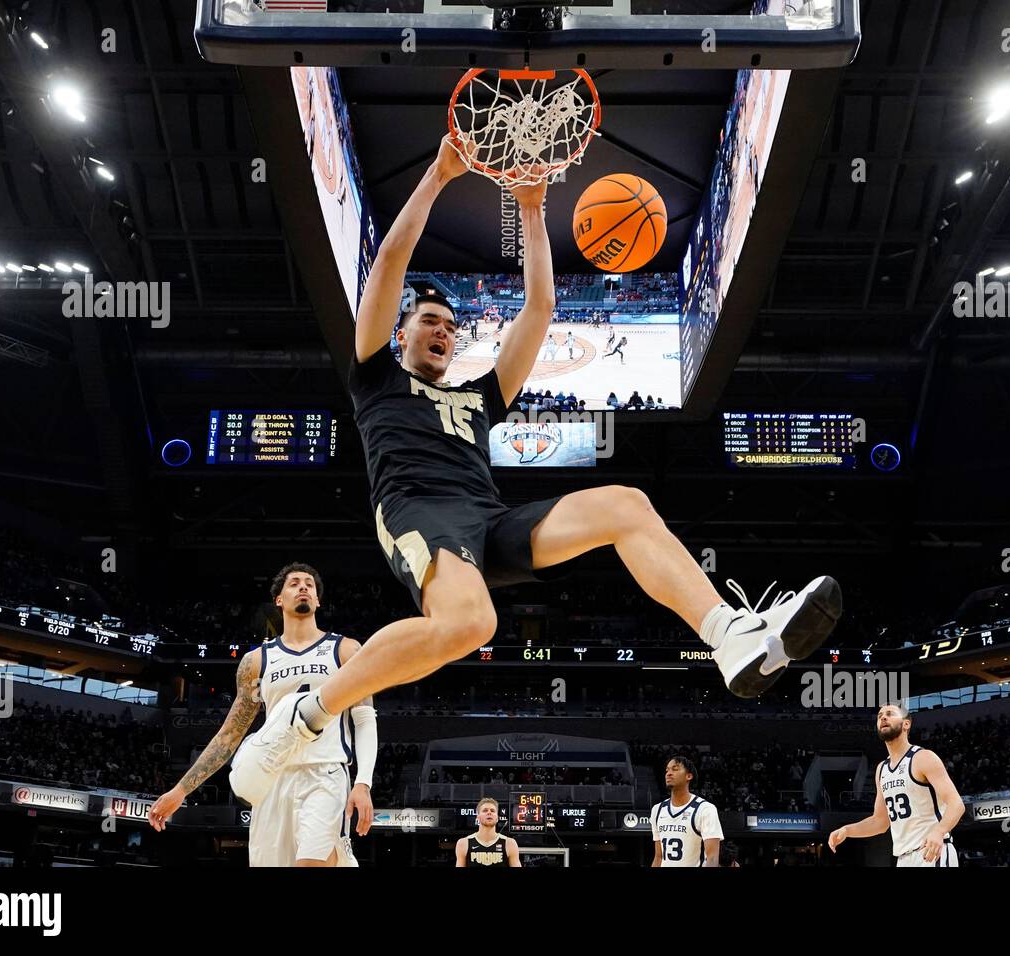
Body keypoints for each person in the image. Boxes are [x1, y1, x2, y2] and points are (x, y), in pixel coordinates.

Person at [235, 135, 841, 793]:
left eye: (449, 326)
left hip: (486, 521)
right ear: (401, 332)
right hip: (418, 511)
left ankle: (730, 636)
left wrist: (530, 207)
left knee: (626, 505)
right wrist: (438, 174)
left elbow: (541, 309)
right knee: (471, 624)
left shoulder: (477, 395)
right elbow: (388, 262)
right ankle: (309, 714)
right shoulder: (376, 376)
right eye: (428, 321)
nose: (441, 331)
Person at [147, 563, 377, 867]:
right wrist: (181, 789)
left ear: (318, 601)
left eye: (309, 584)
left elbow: (364, 719)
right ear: (279, 600)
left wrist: (363, 783)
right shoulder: (256, 661)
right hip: (271, 778)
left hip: (325, 774)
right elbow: (230, 735)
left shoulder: (347, 649)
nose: (303, 587)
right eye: (294, 584)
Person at [828, 704, 964, 867]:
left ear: (906, 724)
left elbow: (957, 804)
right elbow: (880, 822)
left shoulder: (923, 758)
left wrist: (939, 831)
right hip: (903, 858)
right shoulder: (882, 769)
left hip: (932, 852)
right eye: (880, 716)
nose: (883, 718)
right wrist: (847, 830)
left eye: (890, 714)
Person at [651, 757, 723, 867]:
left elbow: (712, 858)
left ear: (688, 776)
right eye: (667, 770)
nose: (668, 773)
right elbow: (658, 857)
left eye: (675, 769)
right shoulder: (657, 810)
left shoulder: (705, 809)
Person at [455, 797, 521, 867]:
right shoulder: (463, 843)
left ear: (497, 818)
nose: (489, 812)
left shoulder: (509, 843)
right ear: (478, 817)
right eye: (485, 810)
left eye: (492, 811)